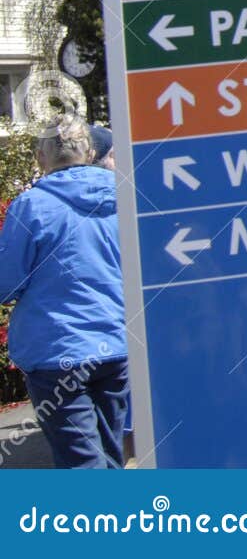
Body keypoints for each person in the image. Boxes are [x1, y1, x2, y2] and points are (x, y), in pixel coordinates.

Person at [0, 115, 129, 468]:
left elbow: (5, 283)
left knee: (81, 464)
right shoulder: (126, 196)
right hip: (117, 344)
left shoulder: (32, 206)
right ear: (89, 152)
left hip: (56, 351)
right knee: (109, 454)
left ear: (41, 158)